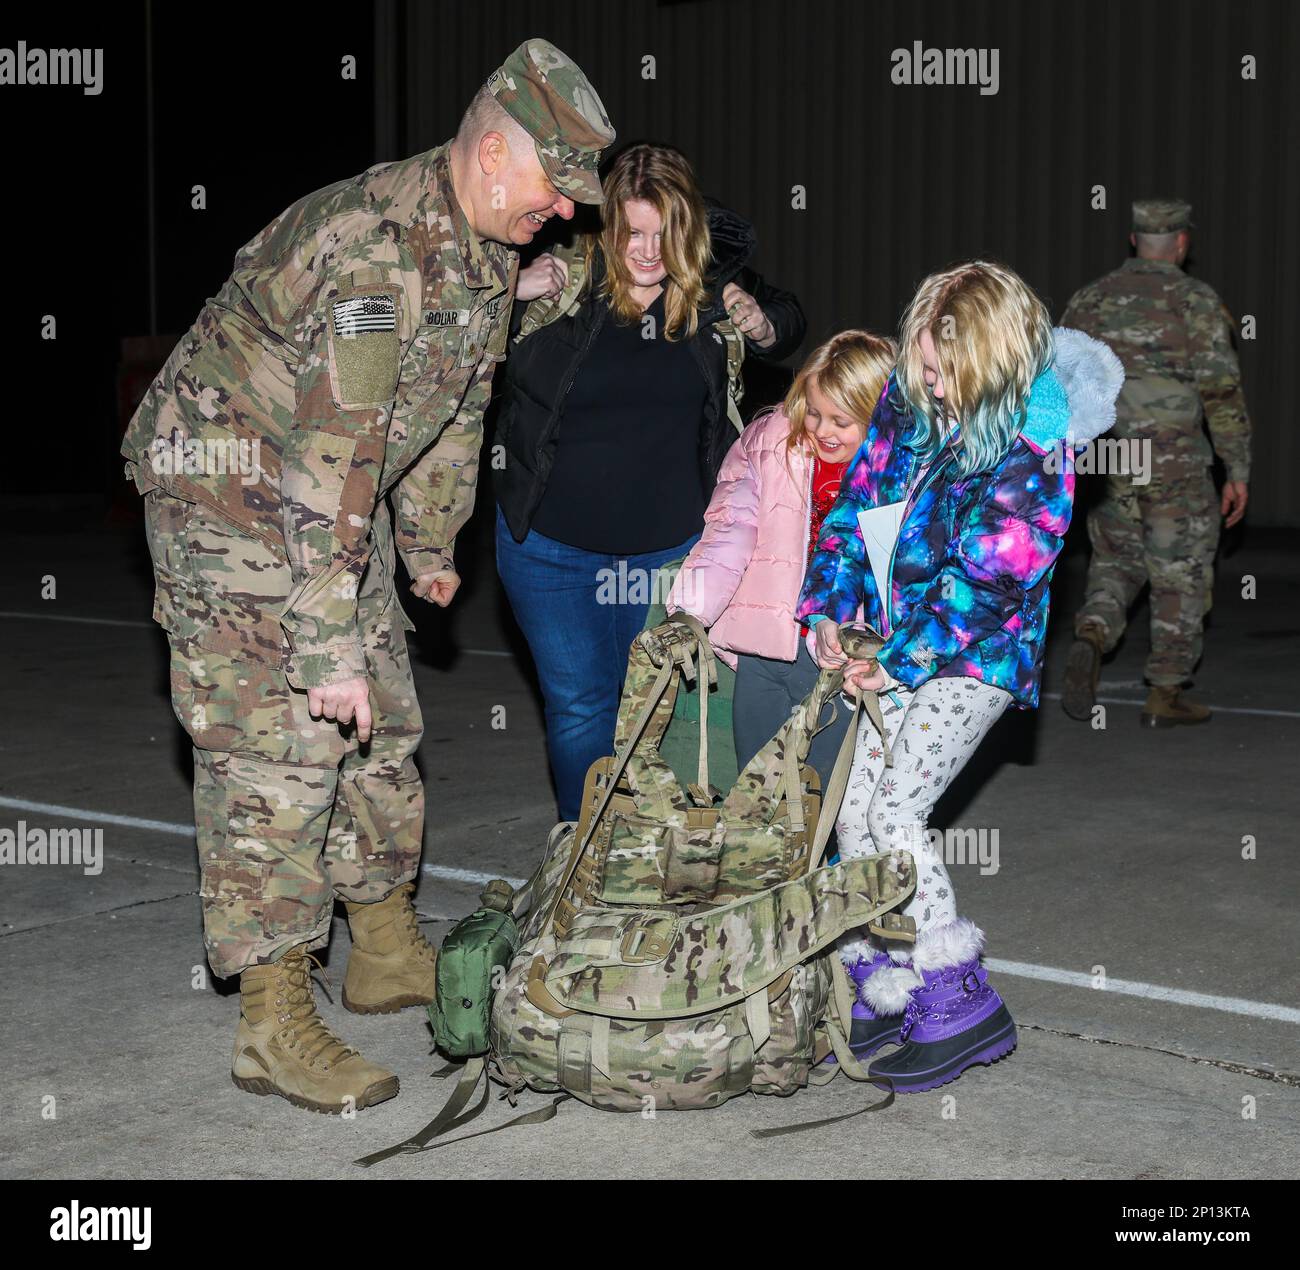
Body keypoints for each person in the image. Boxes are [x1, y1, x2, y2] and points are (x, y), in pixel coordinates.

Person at [119, 39, 614, 1113]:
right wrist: (326, 639)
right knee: (281, 740)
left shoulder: (480, 240)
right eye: (554, 189)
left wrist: (431, 545)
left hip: (323, 490)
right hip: (232, 487)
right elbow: (333, 454)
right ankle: (271, 1012)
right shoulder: (375, 255)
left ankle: (383, 945)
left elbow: (449, 399)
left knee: (381, 716)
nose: (565, 215)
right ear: (492, 152)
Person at [796, 261, 1123, 1092]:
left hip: (977, 655)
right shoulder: (911, 403)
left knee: (900, 805)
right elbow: (850, 515)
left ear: (993, 362)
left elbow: (988, 583)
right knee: (856, 814)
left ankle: (959, 999)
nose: (929, 387)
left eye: (947, 374)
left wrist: (892, 659)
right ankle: (882, 981)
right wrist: (829, 616)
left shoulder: (1037, 448)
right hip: (897, 640)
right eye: (924, 368)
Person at [494, 142, 806, 824]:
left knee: (659, 711)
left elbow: (787, 320)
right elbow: (445, 327)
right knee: (581, 708)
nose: (645, 251)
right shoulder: (561, 283)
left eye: (663, 234)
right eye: (631, 232)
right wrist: (504, 295)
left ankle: (649, 852)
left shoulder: (710, 294)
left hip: (671, 557)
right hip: (550, 549)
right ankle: (586, 851)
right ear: (606, 227)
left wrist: (765, 320)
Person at [665, 331, 896, 792]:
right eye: (813, 412)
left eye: (841, 421)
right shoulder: (771, 442)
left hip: (838, 660)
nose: (822, 431)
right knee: (757, 792)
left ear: (879, 416)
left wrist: (879, 644)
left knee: (823, 796)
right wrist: (691, 611)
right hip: (763, 648)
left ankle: (821, 866)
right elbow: (730, 528)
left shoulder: (898, 471)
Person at [1059, 198, 1252, 727]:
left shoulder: (1090, 298)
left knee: (1117, 558)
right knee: (1180, 569)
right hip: (1174, 459)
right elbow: (1221, 389)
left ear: (1133, 240)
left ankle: (1094, 631)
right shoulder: (1196, 300)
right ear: (1182, 243)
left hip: (1110, 452)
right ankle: (1165, 692)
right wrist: (1237, 468)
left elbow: (1061, 380)